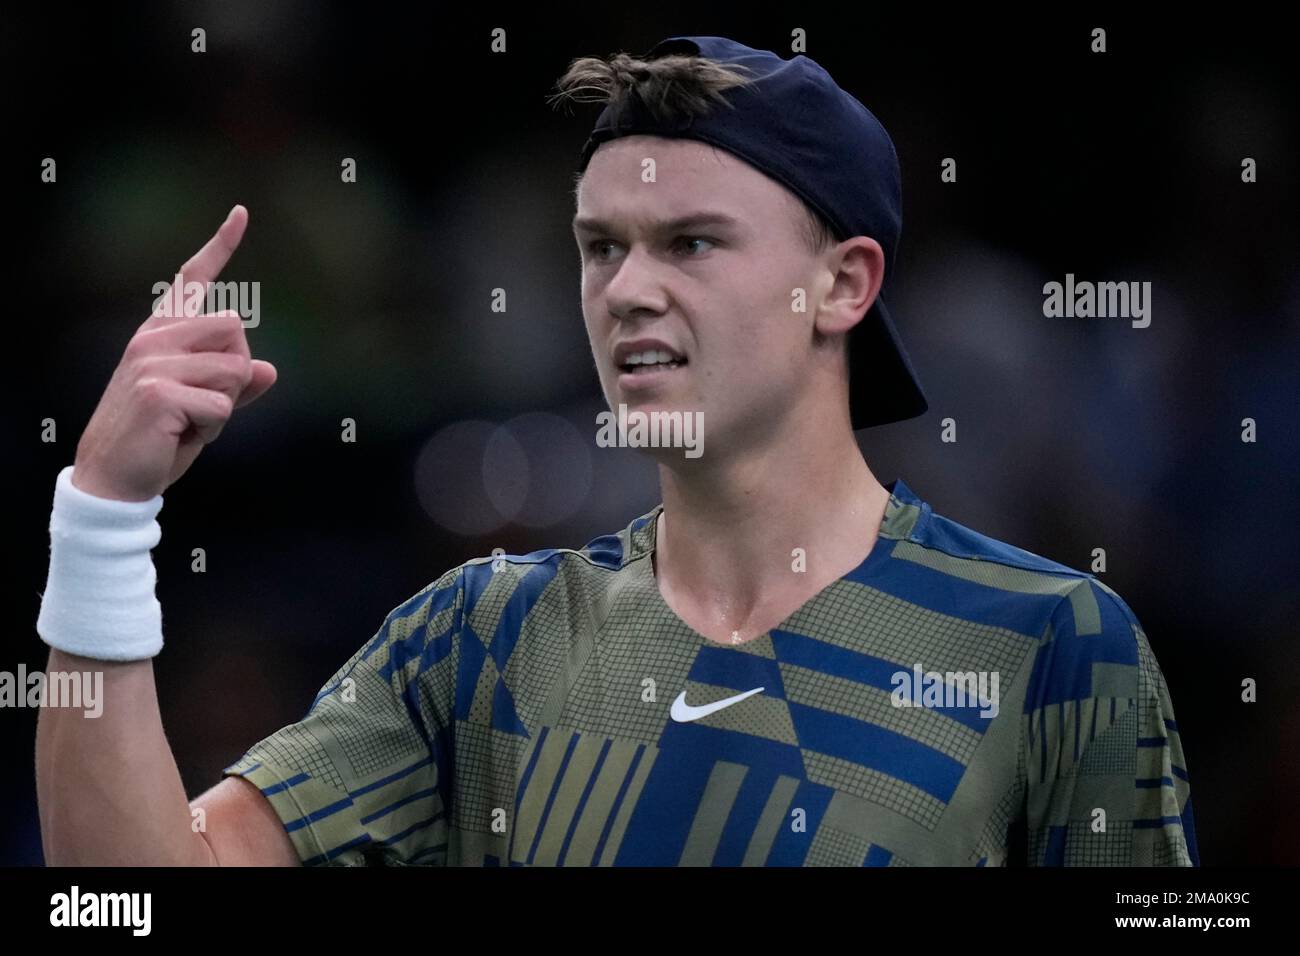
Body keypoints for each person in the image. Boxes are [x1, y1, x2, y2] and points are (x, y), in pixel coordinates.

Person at [34, 35, 1198, 866]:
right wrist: (103, 512)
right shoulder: (476, 637)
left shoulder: (1051, 643)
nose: (626, 289)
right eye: (600, 247)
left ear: (842, 283)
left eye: (690, 242)